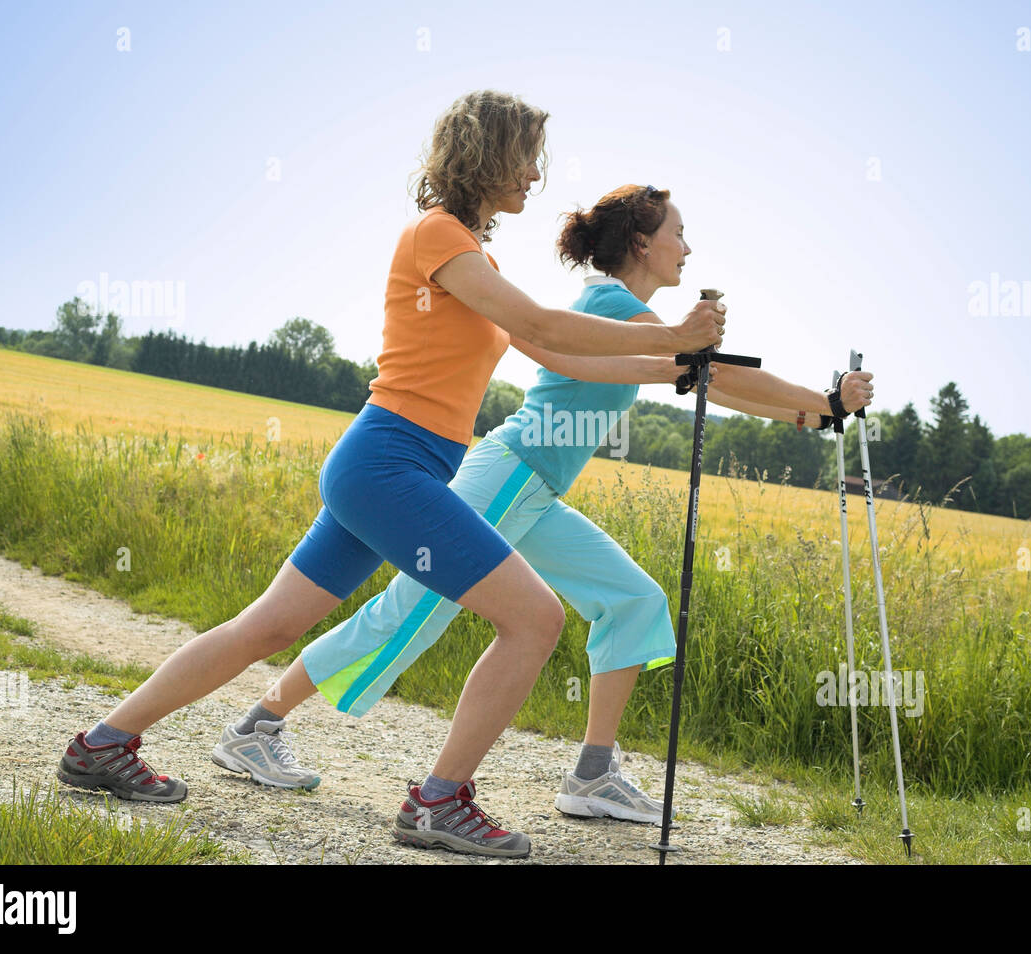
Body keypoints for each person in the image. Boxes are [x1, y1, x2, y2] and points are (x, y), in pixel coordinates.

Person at [54, 90, 724, 841]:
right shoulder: (436, 237)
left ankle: (101, 746)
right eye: (527, 156)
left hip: (392, 468)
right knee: (534, 618)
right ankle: (439, 802)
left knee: (264, 627)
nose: (535, 174)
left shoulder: (474, 258)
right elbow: (538, 322)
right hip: (388, 464)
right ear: (490, 154)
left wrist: (676, 361)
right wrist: (676, 338)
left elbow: (551, 348)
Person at [229, 184, 874, 858]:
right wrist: (822, 403)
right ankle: (259, 724)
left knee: (632, 599)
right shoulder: (608, 303)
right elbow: (712, 371)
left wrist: (819, 411)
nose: (688, 248)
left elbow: (707, 378)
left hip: (535, 493)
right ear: (641, 243)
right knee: (411, 612)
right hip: (507, 474)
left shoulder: (636, 319)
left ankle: (593, 776)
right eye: (679, 233)